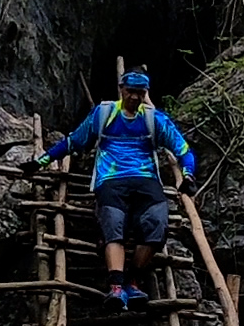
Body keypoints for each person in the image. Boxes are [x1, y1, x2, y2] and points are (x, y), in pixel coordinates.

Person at [22, 70, 196, 308]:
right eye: (131, 91)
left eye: (140, 92)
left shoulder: (154, 119)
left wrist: (187, 175)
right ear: (122, 90)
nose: (135, 97)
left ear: (146, 93)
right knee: (113, 223)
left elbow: (183, 149)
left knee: (157, 223)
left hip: (145, 179)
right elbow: (74, 141)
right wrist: (41, 161)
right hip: (111, 179)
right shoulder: (103, 114)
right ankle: (116, 286)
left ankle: (132, 280)